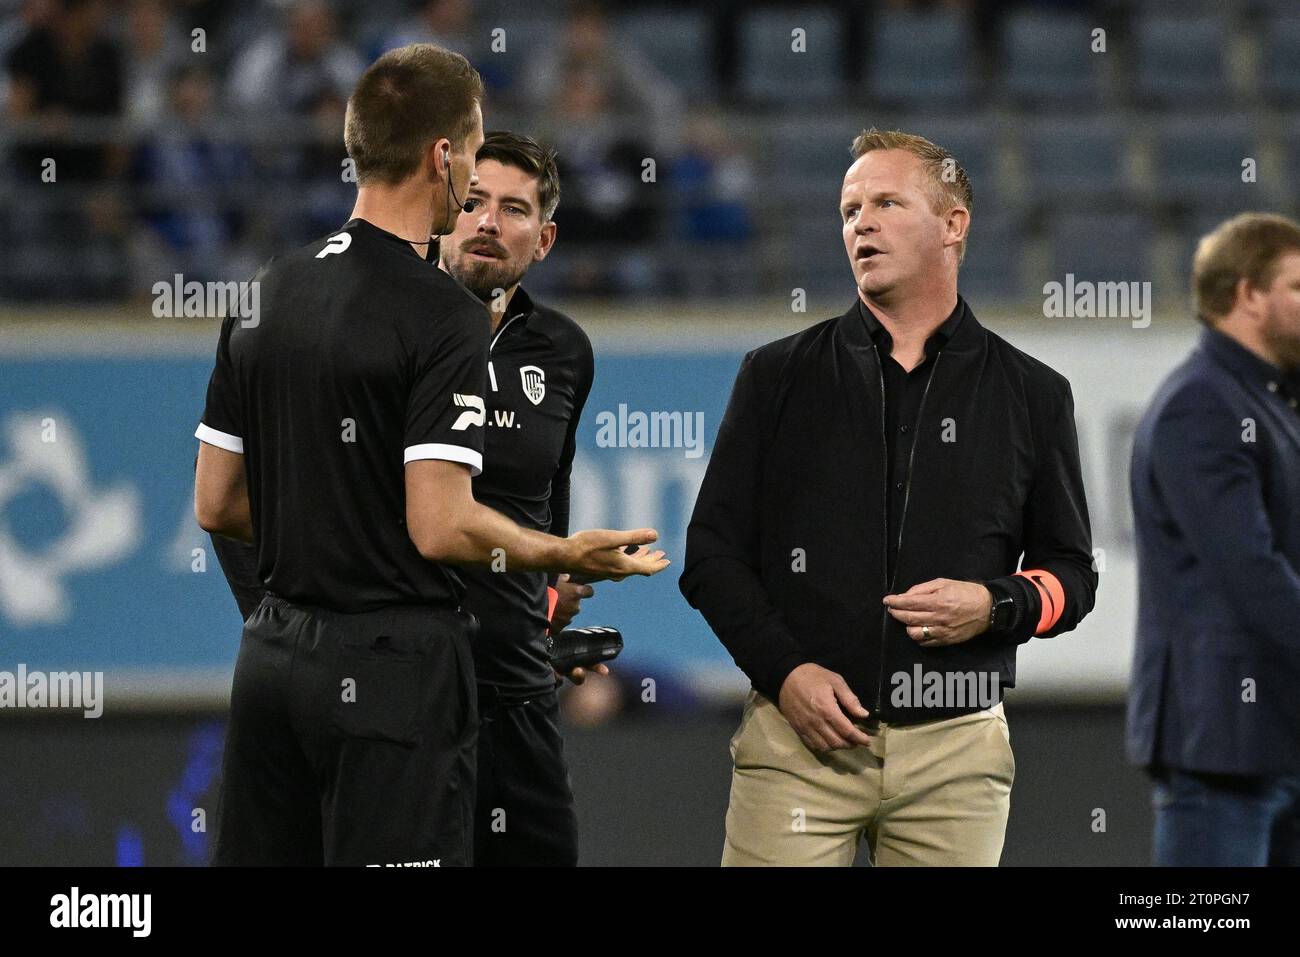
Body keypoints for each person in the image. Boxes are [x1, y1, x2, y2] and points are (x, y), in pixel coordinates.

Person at [194, 44, 666, 867]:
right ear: (444, 158)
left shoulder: (264, 289)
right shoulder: (439, 312)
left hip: (274, 664)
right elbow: (442, 523)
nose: (483, 208)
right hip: (399, 673)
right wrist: (564, 550)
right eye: (475, 164)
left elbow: (218, 504)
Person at [679, 128, 1098, 867]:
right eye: (849, 209)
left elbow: (1072, 574)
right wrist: (786, 672)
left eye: (886, 203)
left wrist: (997, 604)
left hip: (957, 756)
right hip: (796, 745)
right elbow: (711, 556)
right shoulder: (776, 377)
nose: (860, 224)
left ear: (952, 225)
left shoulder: (1033, 394)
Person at [438, 130, 596, 867]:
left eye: (513, 208)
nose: (488, 222)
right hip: (407, 690)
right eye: (472, 202)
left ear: (545, 238)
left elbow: (546, 504)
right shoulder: (388, 325)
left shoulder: (564, 350)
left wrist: (550, 611)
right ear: (445, 209)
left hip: (517, 692)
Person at [1127, 212, 1300, 867]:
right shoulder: (1201, 405)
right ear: (1249, 294)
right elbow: (1250, 570)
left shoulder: (1268, 401)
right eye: (1299, 288)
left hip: (1273, 737)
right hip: (1221, 741)